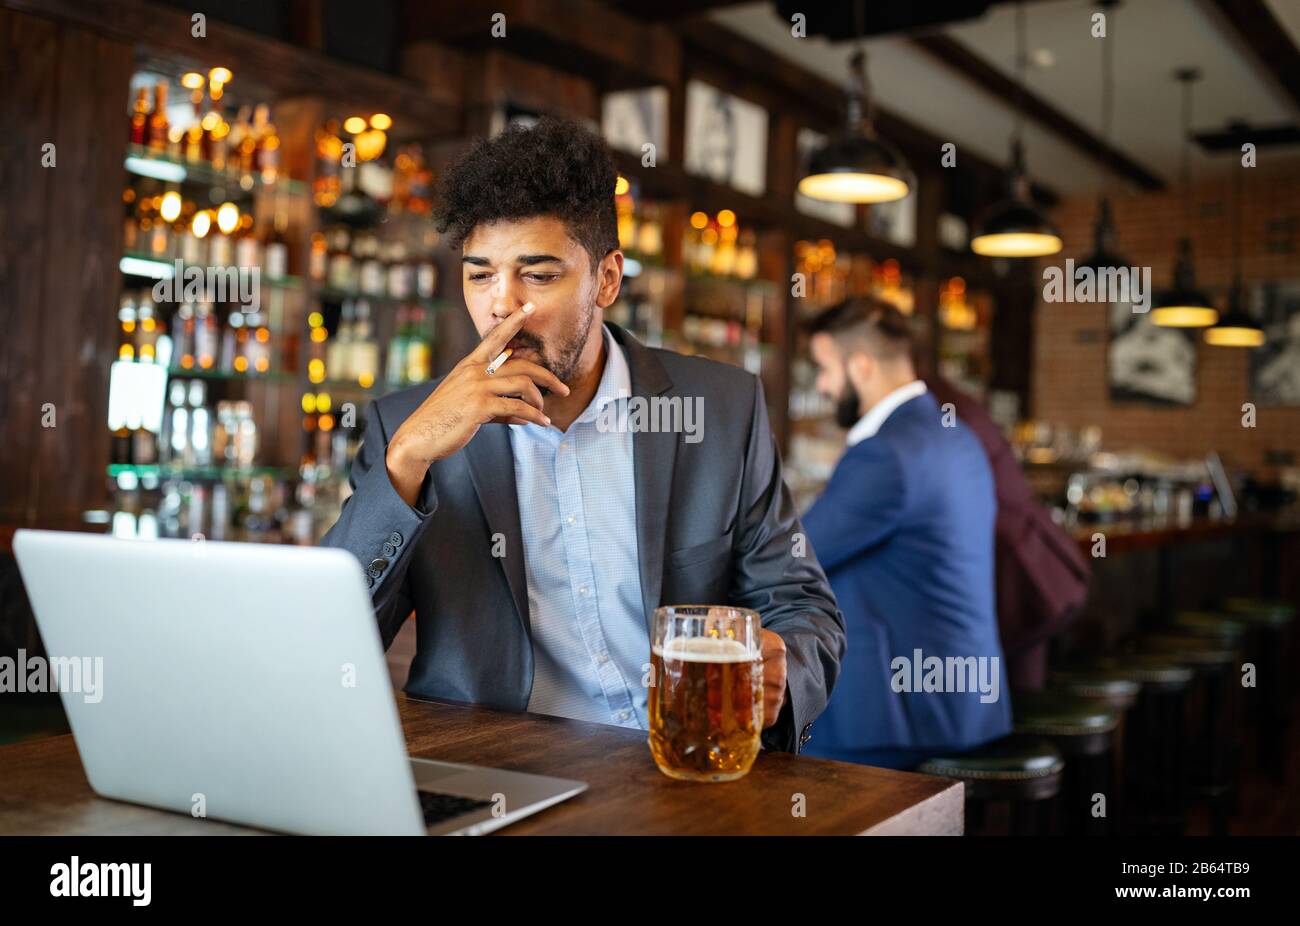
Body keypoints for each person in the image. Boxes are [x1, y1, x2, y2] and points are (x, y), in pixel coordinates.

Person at [322, 116, 844, 753]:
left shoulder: (720, 409)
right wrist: (406, 460)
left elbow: (801, 603)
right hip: (493, 769)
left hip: (681, 768)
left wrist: (780, 665)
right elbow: (332, 642)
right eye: (480, 274)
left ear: (607, 279)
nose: (500, 306)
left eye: (538, 276)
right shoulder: (408, 430)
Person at [798, 300, 1011, 769]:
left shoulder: (887, 455)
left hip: (903, 714)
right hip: (962, 698)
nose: (822, 386)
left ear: (862, 366)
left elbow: (796, 557)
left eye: (824, 369)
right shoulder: (953, 433)